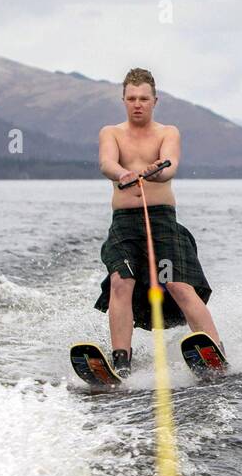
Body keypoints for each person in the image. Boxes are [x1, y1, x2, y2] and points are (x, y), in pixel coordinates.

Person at [93, 68, 220, 376]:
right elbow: (106, 162)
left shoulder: (168, 132)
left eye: (144, 99)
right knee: (120, 283)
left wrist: (158, 170)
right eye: (132, 98)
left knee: (176, 283)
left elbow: (171, 165)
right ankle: (122, 360)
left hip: (161, 220)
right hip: (124, 222)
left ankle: (215, 350)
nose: (138, 104)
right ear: (123, 99)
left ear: (155, 100)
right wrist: (121, 173)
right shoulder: (111, 132)